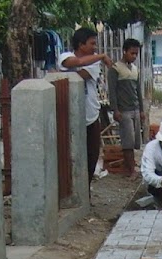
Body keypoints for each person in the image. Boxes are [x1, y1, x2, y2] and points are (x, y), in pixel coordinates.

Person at [59, 27, 112, 182]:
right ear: (81, 45)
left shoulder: (93, 61)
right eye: (92, 43)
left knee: (91, 155)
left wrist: (63, 75)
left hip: (91, 114)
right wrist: (102, 56)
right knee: (71, 154)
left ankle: (86, 188)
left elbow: (79, 76)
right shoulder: (65, 56)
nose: (94, 47)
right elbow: (75, 63)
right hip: (69, 114)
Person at [108, 39, 147, 178]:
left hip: (135, 109)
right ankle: (131, 170)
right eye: (132, 53)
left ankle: (130, 166)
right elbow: (112, 91)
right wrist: (115, 110)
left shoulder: (135, 69)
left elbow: (138, 91)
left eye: (136, 54)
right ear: (124, 51)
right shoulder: (115, 68)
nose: (134, 56)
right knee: (127, 141)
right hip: (124, 110)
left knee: (136, 141)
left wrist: (142, 110)